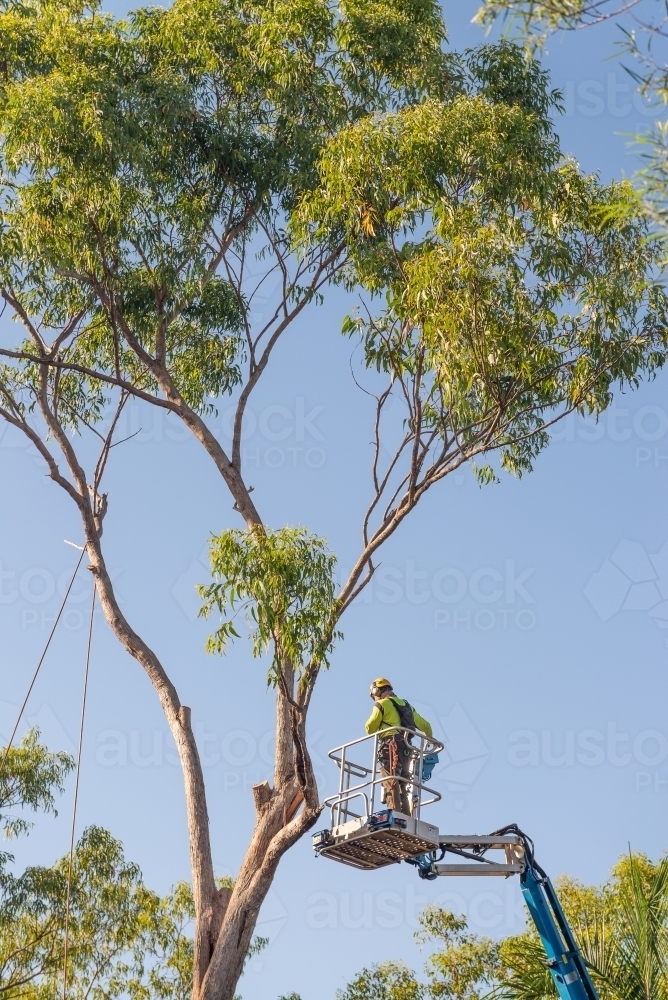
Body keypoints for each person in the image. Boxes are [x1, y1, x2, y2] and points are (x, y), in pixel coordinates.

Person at [365, 678, 433, 816]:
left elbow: (369, 728)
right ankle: (406, 818)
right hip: (407, 749)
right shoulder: (407, 706)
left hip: (390, 748)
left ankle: (394, 816)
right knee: (402, 784)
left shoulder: (381, 704)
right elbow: (426, 726)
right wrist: (429, 740)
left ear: (377, 691)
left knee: (391, 782)